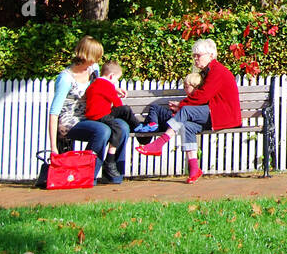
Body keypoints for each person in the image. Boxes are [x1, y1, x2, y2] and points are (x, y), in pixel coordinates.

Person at [137, 38, 240, 183]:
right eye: (194, 56)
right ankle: (194, 170)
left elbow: (203, 96)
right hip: (214, 115)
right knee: (186, 127)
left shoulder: (217, 71)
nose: (195, 59)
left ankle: (159, 144)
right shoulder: (209, 71)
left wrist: (181, 105)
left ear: (211, 55)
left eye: (199, 55)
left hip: (223, 115)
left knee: (186, 111)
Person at [47, 36, 129, 185]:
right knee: (102, 131)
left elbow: (100, 84)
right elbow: (54, 113)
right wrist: (53, 147)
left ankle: (112, 169)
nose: (97, 61)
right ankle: (86, 174)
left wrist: (115, 88)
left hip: (93, 116)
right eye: (95, 57)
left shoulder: (93, 69)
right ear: (86, 56)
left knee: (122, 126)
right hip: (71, 122)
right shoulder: (65, 78)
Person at [82, 60, 141, 184]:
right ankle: (110, 159)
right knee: (119, 126)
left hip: (95, 114)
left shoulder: (95, 83)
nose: (116, 82)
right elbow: (117, 103)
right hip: (101, 115)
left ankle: (138, 127)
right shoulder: (107, 85)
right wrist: (116, 96)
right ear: (111, 76)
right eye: (116, 79)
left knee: (123, 115)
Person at [135, 70, 201, 136]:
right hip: (174, 121)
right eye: (184, 87)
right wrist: (175, 108)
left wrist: (178, 105)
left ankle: (152, 125)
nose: (185, 89)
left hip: (175, 120)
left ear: (196, 87)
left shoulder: (194, 98)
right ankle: (152, 126)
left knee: (154, 107)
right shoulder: (191, 98)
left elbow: (188, 111)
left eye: (187, 87)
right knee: (154, 119)